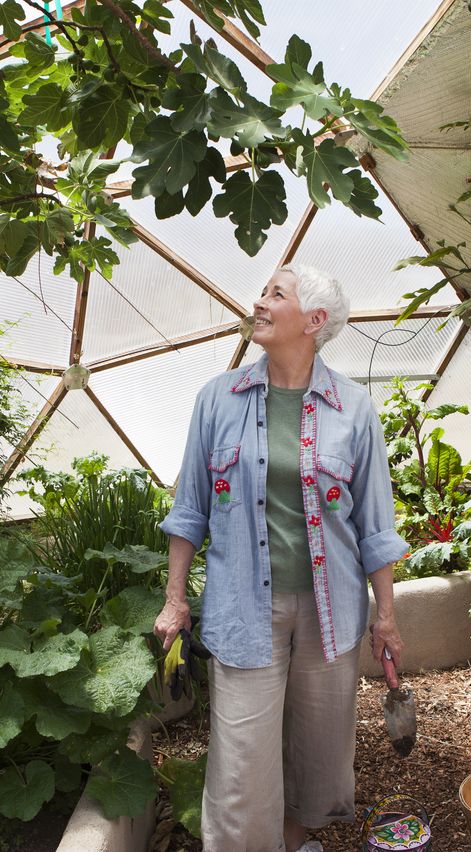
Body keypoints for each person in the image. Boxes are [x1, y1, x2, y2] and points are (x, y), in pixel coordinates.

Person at [154, 263, 407, 852]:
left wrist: (386, 616)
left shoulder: (353, 407)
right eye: (264, 292)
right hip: (245, 607)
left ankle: (294, 842)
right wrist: (175, 599)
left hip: (330, 610)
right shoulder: (219, 398)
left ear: (314, 321)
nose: (260, 303)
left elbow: (376, 527)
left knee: (319, 751)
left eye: (276, 294)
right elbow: (189, 507)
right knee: (242, 756)